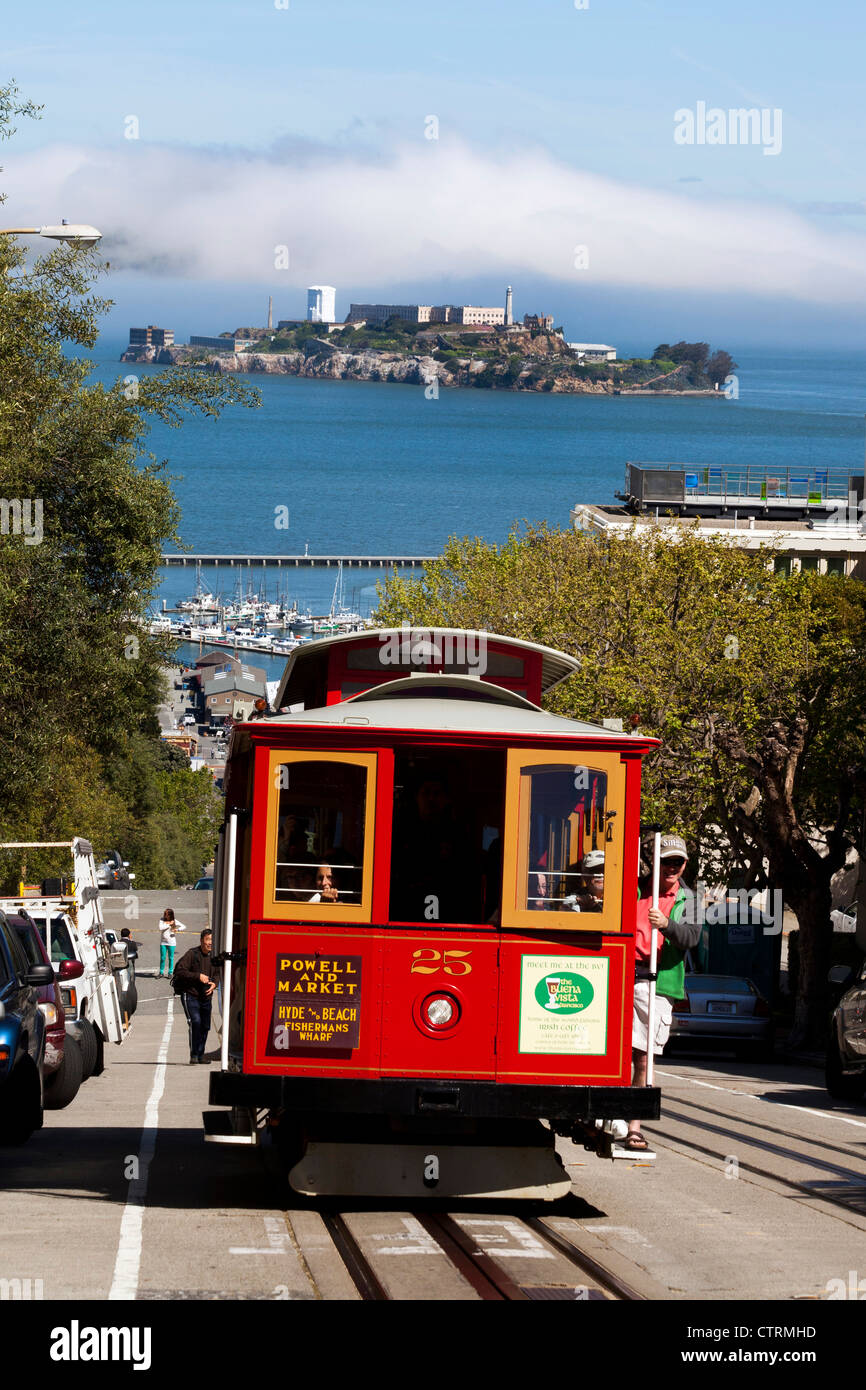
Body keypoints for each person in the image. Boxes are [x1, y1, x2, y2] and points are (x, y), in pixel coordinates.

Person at [627, 834, 701, 1151]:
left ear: (685, 865)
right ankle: (605, 1115)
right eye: (666, 861)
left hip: (658, 984)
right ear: (654, 862)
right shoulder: (634, 888)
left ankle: (634, 1126)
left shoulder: (691, 899)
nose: (672, 868)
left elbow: (691, 938)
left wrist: (667, 924)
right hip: (622, 976)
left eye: (678, 862)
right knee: (614, 1053)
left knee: (644, 1059)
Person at [173, 929, 220, 1064]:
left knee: (205, 1026)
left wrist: (214, 984)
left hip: (206, 996)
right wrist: (198, 976)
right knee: (195, 1022)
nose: (210, 943)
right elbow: (180, 971)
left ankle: (200, 1055)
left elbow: (217, 973)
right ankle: (193, 1054)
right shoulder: (192, 954)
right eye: (207, 940)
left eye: (212, 940)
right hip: (190, 994)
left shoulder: (214, 956)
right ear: (201, 941)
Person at [158, 908, 186, 977]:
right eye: (164, 914)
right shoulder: (162, 920)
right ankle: (161, 972)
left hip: (172, 943)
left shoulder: (174, 921)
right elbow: (160, 928)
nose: (165, 915)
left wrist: (177, 929)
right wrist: (169, 924)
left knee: (171, 958)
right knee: (162, 958)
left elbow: (184, 926)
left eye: (166, 914)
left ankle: (170, 972)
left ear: (170, 915)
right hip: (163, 942)